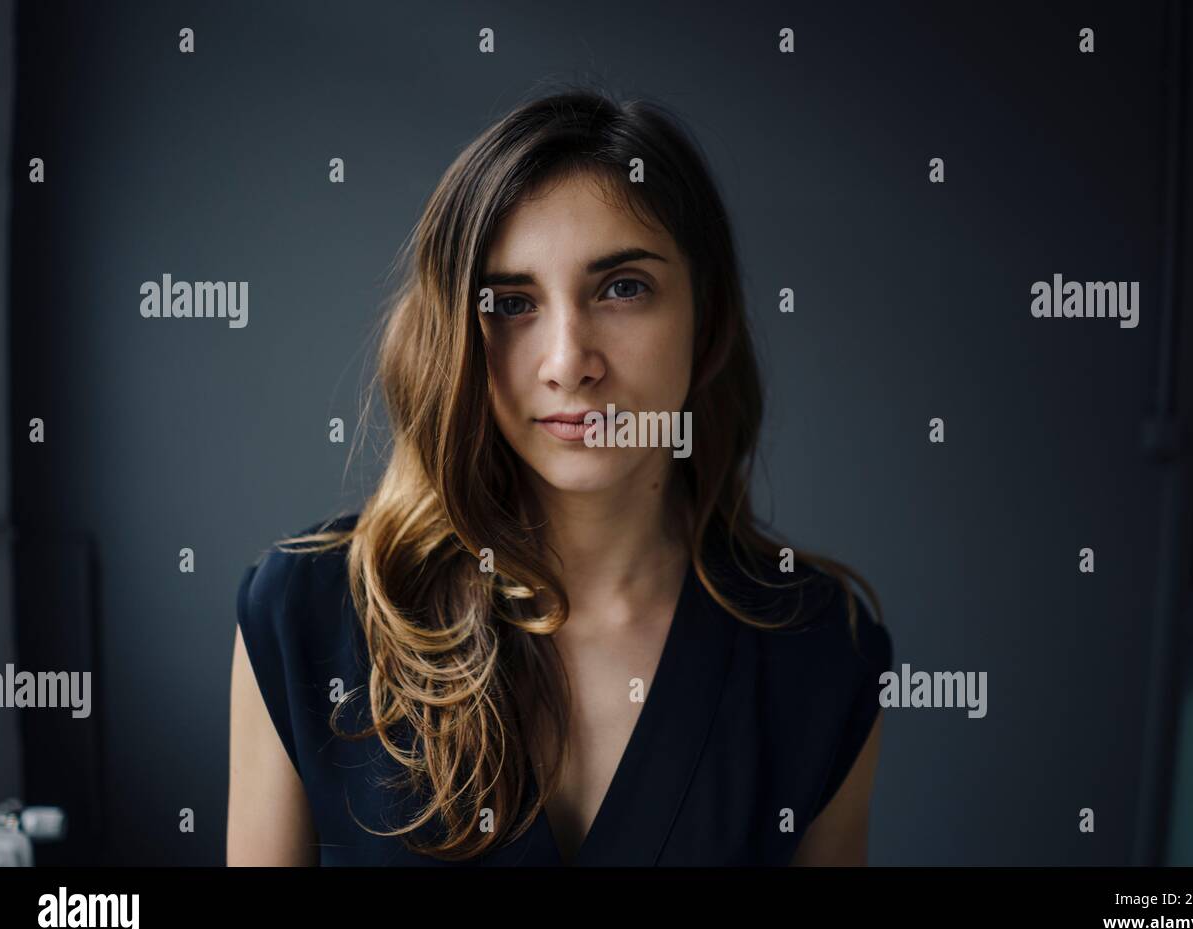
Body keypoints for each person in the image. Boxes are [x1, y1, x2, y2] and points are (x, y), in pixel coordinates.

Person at [227, 87, 892, 866]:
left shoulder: (820, 651)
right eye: (510, 303)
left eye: (622, 288)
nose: (569, 361)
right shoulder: (305, 611)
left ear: (705, 315)